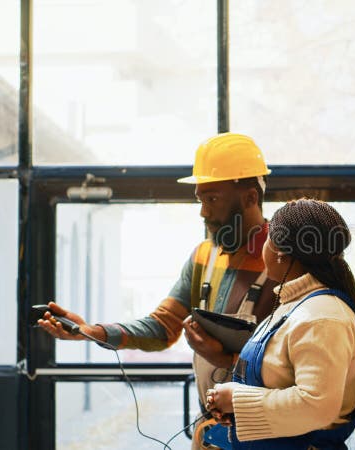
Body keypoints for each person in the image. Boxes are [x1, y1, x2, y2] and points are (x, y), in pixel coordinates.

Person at [36, 132, 279, 449]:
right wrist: (91, 332)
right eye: (200, 200)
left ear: (250, 198)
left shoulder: (284, 262)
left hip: (267, 436)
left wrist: (224, 359)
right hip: (212, 434)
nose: (203, 212)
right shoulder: (203, 257)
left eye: (213, 199)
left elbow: (290, 367)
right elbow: (163, 327)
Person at [204, 198, 355, 450]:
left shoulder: (322, 316)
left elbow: (316, 406)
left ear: (280, 253)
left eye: (268, 238)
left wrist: (236, 399)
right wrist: (237, 411)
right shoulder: (295, 306)